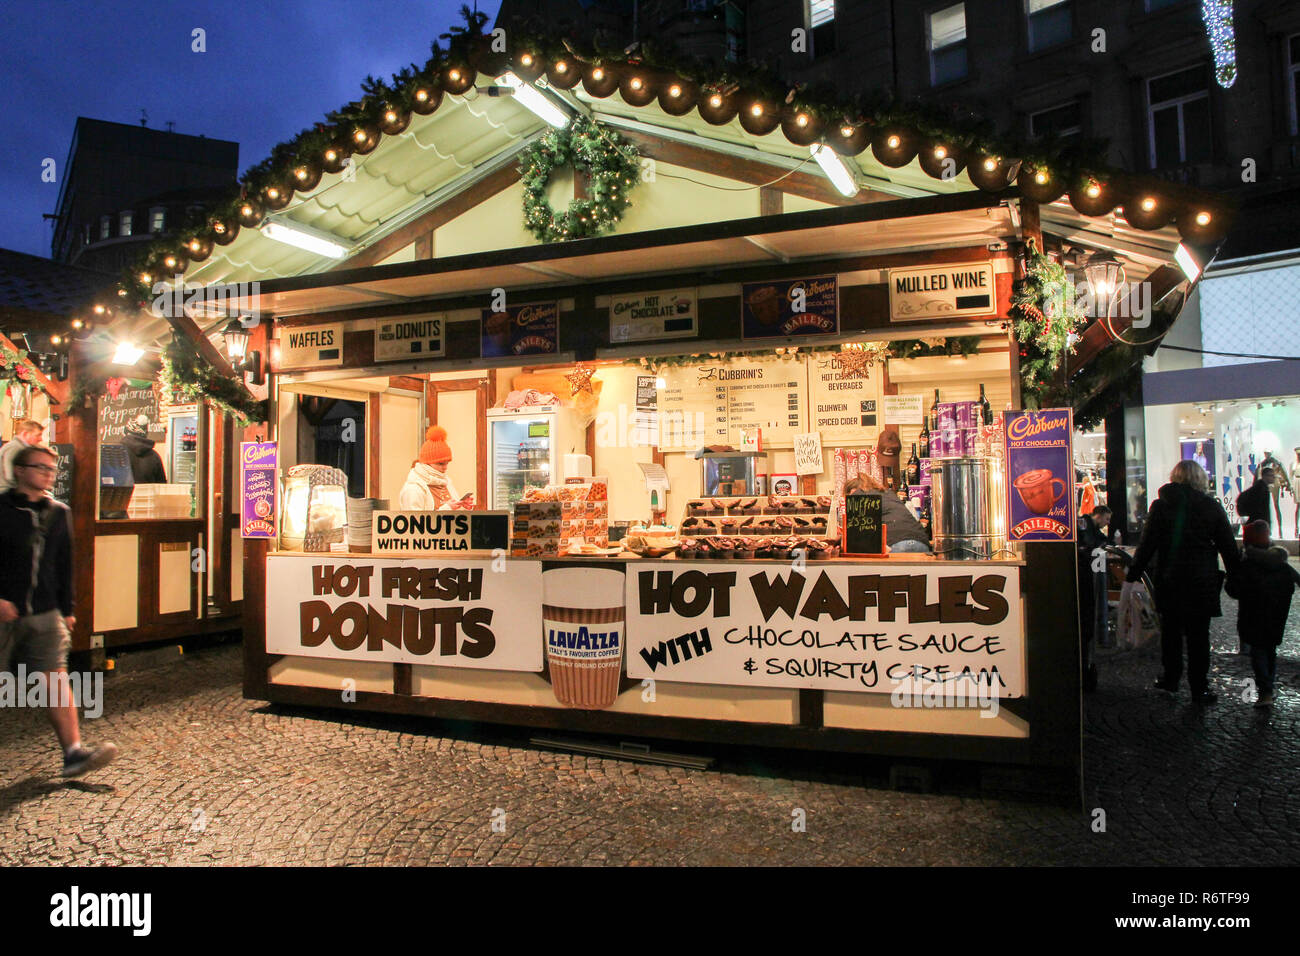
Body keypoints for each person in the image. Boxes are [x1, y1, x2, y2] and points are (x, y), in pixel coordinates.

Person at [0, 445, 118, 777]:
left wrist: (68, 609)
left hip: (44, 613)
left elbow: (66, 564)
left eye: (52, 469)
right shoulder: (2, 509)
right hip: (3, 611)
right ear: (20, 470)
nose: (48, 474)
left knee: (55, 680)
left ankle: (73, 753)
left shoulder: (58, 512)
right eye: (40, 467)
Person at [1127, 459, 1239, 705]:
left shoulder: (1161, 506)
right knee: (1199, 636)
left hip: (1170, 578)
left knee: (1171, 632)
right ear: (1200, 479)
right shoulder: (1210, 507)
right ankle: (1199, 687)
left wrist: (1133, 572)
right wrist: (1236, 578)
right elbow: (1228, 547)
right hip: (1201, 579)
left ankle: (1171, 678)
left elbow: (1148, 544)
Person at [1226, 520, 1299, 708]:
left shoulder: (1248, 564)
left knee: (1258, 652)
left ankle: (1265, 691)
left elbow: (1234, 589)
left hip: (1254, 616)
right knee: (1270, 651)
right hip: (1277, 617)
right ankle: (1268, 688)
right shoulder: (1280, 563)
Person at [845, 474, 931, 554]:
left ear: (852, 491)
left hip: (896, 544)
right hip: (922, 544)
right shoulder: (888, 493)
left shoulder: (858, 495)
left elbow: (854, 534)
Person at [398, 425, 473, 511]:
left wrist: (462, 506)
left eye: (447, 463)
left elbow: (454, 515)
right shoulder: (413, 488)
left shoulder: (447, 481)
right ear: (427, 463)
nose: (445, 468)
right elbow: (414, 522)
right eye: (440, 464)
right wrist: (447, 509)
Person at [0, 418, 46, 493]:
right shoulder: (15, 448)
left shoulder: (17, 447)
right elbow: (10, 475)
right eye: (38, 435)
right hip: (6, 494)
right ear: (25, 434)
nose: (40, 439)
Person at [121, 414, 167, 484]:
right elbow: (161, 485)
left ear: (126, 433)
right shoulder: (154, 456)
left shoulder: (117, 453)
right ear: (146, 433)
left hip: (124, 494)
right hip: (148, 494)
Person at [1259, 450, 1290, 531]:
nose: (1266, 455)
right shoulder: (1263, 463)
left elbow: (1284, 473)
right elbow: (1259, 475)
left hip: (1274, 483)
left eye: (1267, 453)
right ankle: (1267, 528)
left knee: (1276, 505)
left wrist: (1287, 483)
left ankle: (1280, 528)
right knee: (1265, 505)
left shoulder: (1276, 463)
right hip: (1266, 484)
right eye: (1265, 453)